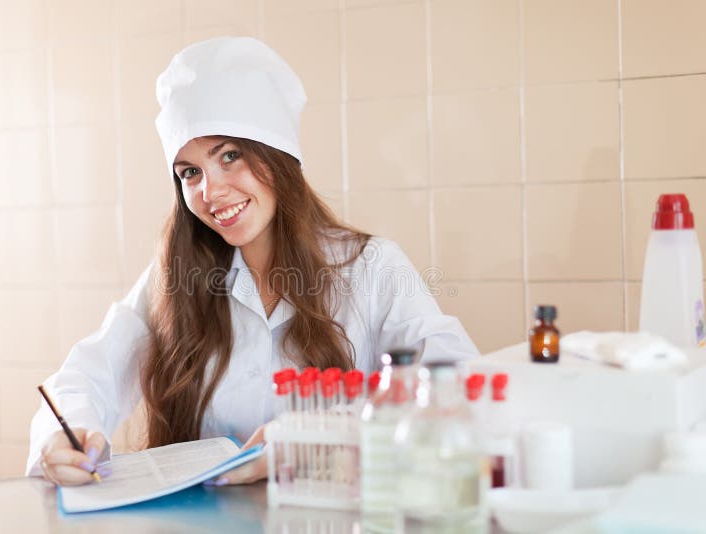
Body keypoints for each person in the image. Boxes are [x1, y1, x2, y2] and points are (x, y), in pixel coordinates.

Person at [27, 36, 478, 487]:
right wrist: (63, 437)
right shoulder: (177, 277)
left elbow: (455, 382)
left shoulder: (371, 266)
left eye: (229, 155)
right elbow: (87, 376)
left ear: (278, 156)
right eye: (190, 172)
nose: (210, 191)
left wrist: (320, 433)